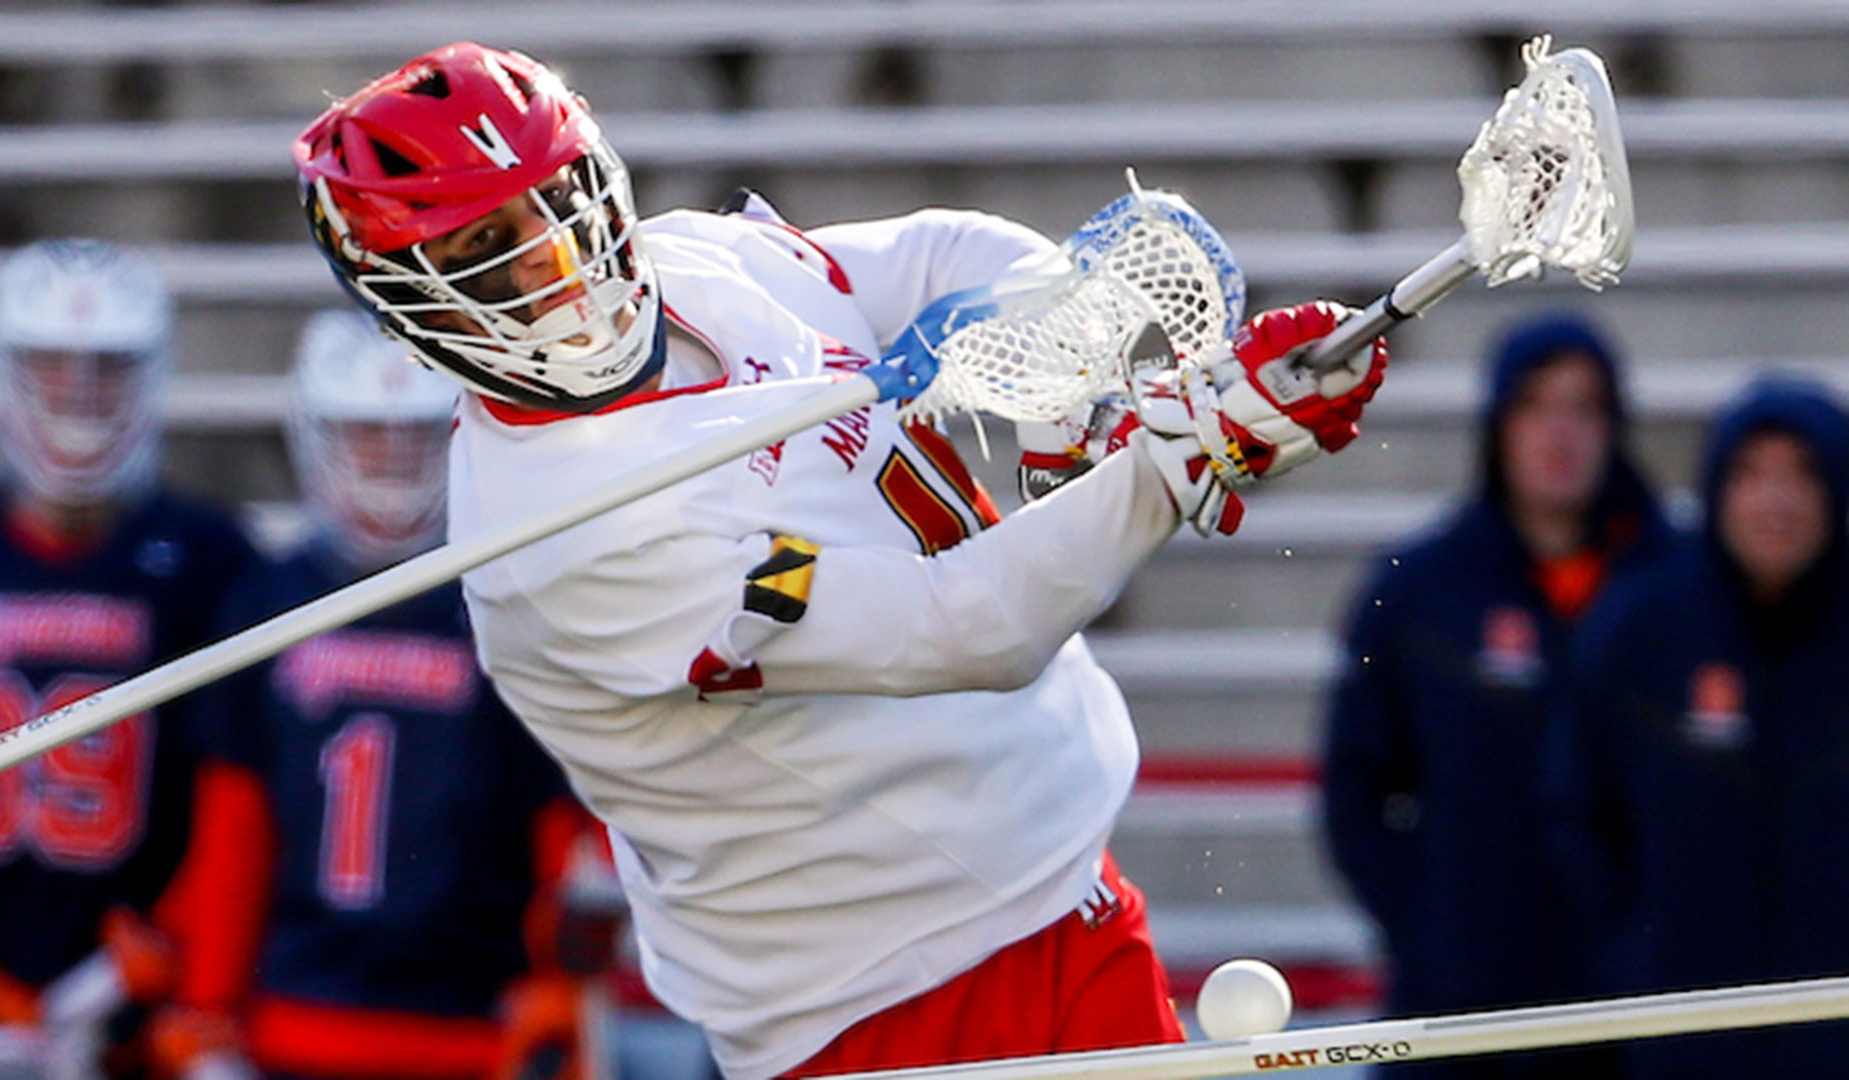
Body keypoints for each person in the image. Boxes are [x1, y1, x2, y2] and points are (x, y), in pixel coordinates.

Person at [291, 42, 1387, 1080]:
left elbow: (930, 259)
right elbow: (971, 627)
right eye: (487, 251)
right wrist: (1175, 459)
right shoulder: (570, 543)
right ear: (408, 305)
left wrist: (1068, 360)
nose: (557, 260)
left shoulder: (696, 262)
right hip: (887, 996)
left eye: (559, 202)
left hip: (1057, 882)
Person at [170, 311, 622, 1080]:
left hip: (474, 1030)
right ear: (314, 438)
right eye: (364, 436)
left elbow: (556, 815)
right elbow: (233, 821)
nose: (389, 463)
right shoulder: (268, 600)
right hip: (298, 1019)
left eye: (412, 438)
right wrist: (209, 1005)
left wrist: (561, 984)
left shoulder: (503, 594)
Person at [0, 239, 258, 1072]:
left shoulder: (211, 559)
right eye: (49, 365)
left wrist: (174, 954)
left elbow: (243, 793)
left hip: (137, 997)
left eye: (107, 368)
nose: (78, 394)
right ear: (2, 370)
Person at [1321, 313, 1670, 1078]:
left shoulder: (1675, 589)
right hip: (1458, 1013)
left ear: (1615, 426)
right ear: (1496, 423)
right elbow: (1354, 788)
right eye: (1535, 405)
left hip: (1641, 1013)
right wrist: (1428, 926)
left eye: (1583, 408)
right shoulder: (1418, 590)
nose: (1560, 432)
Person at [1544, 376, 1849, 1078]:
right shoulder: (1641, 630)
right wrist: (1632, 955)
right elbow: (1576, 813)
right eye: (1751, 473)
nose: (1777, 501)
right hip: (1681, 1042)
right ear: (1717, 488)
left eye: (1802, 475)